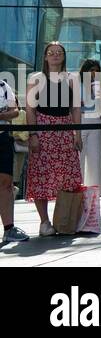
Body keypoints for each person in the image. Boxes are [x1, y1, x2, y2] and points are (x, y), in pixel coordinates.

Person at [25, 41, 83, 236]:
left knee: (68, 176)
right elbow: (30, 109)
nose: (55, 55)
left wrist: (78, 133)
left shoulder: (72, 79)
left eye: (59, 52)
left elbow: (75, 108)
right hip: (42, 129)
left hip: (65, 129)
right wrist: (33, 135)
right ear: (45, 56)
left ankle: (64, 219)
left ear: (64, 56)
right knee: (41, 176)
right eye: (51, 52)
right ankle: (44, 222)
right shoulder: (36, 78)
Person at [0, 76, 26, 242]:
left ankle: (9, 229)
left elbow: (15, 111)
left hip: (3, 138)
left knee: (6, 183)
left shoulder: (3, 85)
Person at [78, 60, 101, 192]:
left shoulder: (99, 85)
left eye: (96, 70)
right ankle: (77, 191)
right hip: (81, 122)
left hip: (95, 123)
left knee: (94, 160)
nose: (94, 72)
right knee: (79, 158)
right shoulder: (77, 83)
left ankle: (94, 194)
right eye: (91, 69)